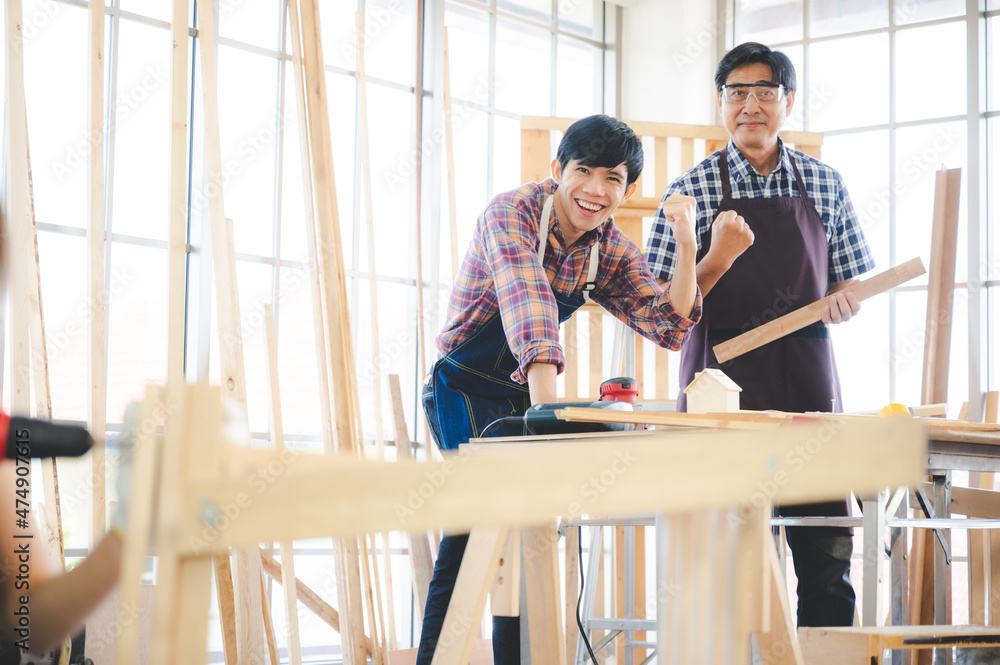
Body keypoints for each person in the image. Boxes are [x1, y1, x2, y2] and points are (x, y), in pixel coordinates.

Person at [417, 114, 703, 664]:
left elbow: (668, 322)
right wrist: (547, 414)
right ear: (557, 170)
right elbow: (531, 306)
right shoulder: (511, 213)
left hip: (521, 394)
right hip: (464, 386)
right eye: (584, 171)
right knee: (474, 529)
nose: (596, 190)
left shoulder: (608, 248)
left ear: (629, 188)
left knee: (526, 535)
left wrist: (688, 241)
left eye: (613, 179)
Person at [645, 42, 875, 627]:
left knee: (826, 558)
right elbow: (658, 309)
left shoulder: (825, 184)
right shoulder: (687, 193)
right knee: (723, 563)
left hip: (809, 388)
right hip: (719, 387)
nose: (751, 105)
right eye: (737, 93)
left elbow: (847, 282)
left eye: (765, 92)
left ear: (788, 101)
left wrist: (846, 301)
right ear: (721, 103)